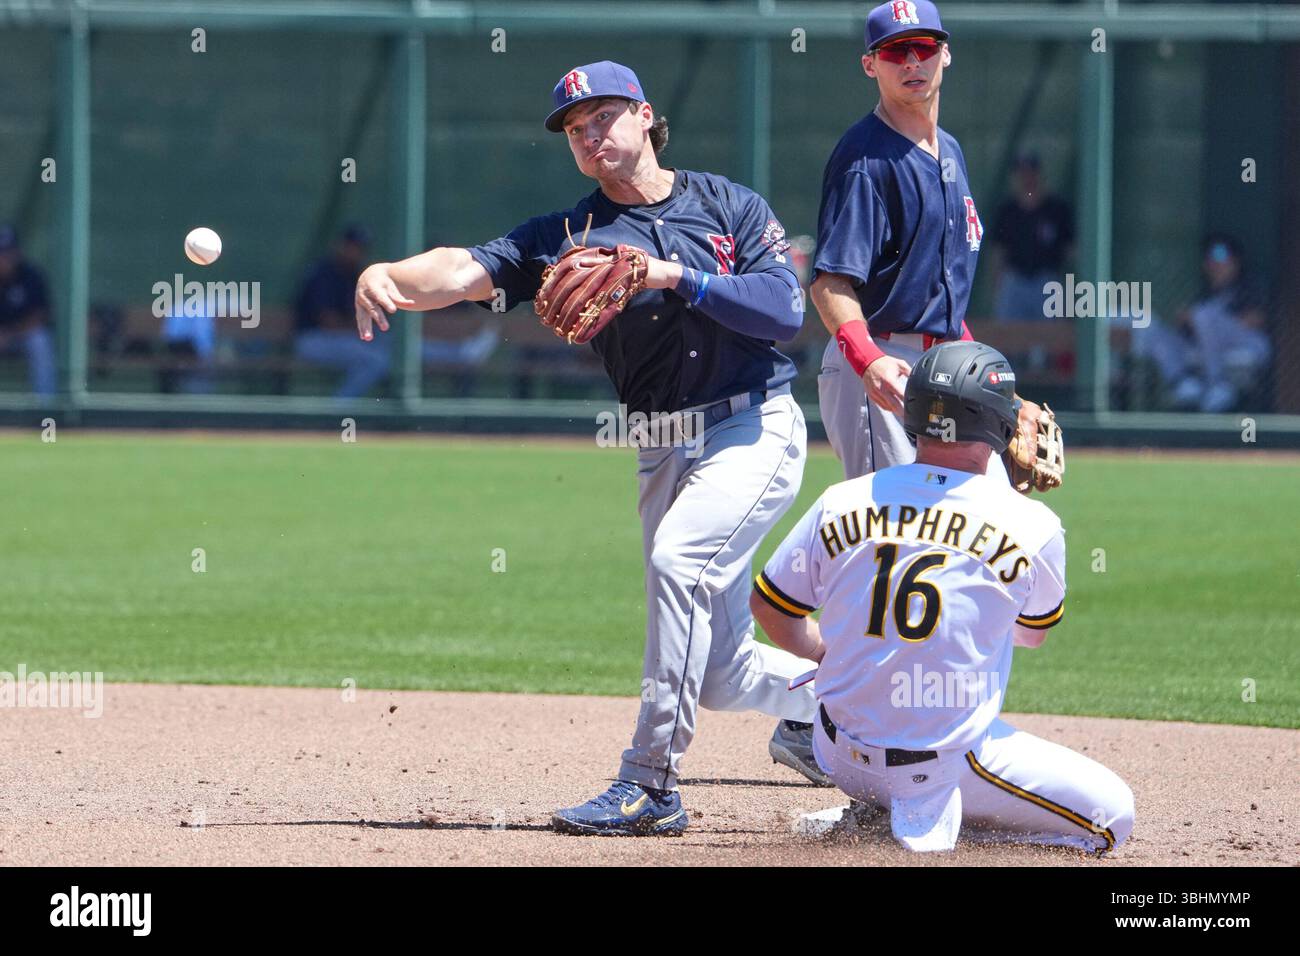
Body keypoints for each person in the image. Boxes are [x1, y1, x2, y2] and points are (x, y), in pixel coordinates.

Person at [354, 61, 826, 836]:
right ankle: (852, 708)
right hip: (660, 446)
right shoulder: (567, 236)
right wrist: (391, 276)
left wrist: (670, 275)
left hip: (753, 426)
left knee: (679, 562)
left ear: (645, 116)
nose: (588, 134)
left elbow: (781, 309)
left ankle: (650, 784)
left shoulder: (728, 205)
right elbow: (467, 269)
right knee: (723, 672)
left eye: (602, 116)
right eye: (575, 129)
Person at [751, 341, 1134, 854]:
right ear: (997, 426)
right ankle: (940, 826)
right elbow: (1032, 634)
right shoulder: (1033, 526)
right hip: (941, 769)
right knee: (1112, 819)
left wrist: (826, 649)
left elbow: (770, 608)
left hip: (835, 755)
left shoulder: (842, 499)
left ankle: (872, 810)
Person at [813, 1, 1002, 483]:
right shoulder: (865, 158)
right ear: (870, 64)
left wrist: (995, 388)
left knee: (985, 510)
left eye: (923, 47)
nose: (912, 62)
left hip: (946, 362)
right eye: (896, 52)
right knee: (894, 531)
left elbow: (939, 294)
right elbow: (830, 282)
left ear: (946, 54)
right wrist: (868, 361)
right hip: (881, 357)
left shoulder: (951, 150)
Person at [1130, 234, 1270, 413]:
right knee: (1155, 332)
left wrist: (1210, 322)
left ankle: (1218, 383)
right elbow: (1190, 328)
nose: (1214, 265)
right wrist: (1188, 322)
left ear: (1235, 262)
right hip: (1206, 346)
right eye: (1210, 260)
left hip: (1248, 342)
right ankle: (1182, 382)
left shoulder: (1249, 285)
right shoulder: (1206, 292)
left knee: (1204, 315)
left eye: (1220, 259)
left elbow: (1255, 320)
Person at [296, 225, 392, 399]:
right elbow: (328, 322)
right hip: (313, 339)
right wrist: (364, 330)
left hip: (343, 339)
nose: (355, 252)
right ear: (340, 245)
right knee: (376, 360)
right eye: (352, 246)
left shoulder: (356, 274)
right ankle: (339, 407)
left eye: (360, 248)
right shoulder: (323, 273)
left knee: (389, 351)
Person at [989, 151, 1075, 322]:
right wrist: (997, 287)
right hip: (1015, 280)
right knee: (1008, 337)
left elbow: (1070, 250)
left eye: (1030, 172)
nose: (1026, 179)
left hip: (1047, 280)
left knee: (1051, 338)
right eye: (1021, 174)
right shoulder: (1007, 210)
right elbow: (998, 252)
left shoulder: (1057, 209)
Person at [0, 224, 57, 398]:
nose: (4, 258)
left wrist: (9, 334)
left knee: (40, 341)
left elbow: (40, 315)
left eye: (7, 253)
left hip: (21, 335)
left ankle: (45, 405)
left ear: (17, 253)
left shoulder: (31, 275)